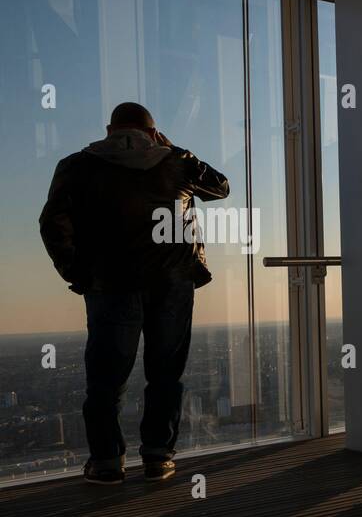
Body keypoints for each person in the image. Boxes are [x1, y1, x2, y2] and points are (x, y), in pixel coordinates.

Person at [39, 103, 229, 486]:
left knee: (107, 378)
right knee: (165, 373)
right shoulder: (176, 162)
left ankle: (108, 462)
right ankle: (158, 457)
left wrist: (77, 274)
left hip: (110, 284)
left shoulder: (77, 166)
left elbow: (52, 224)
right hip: (173, 282)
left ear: (110, 128)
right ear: (154, 131)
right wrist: (176, 149)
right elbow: (220, 188)